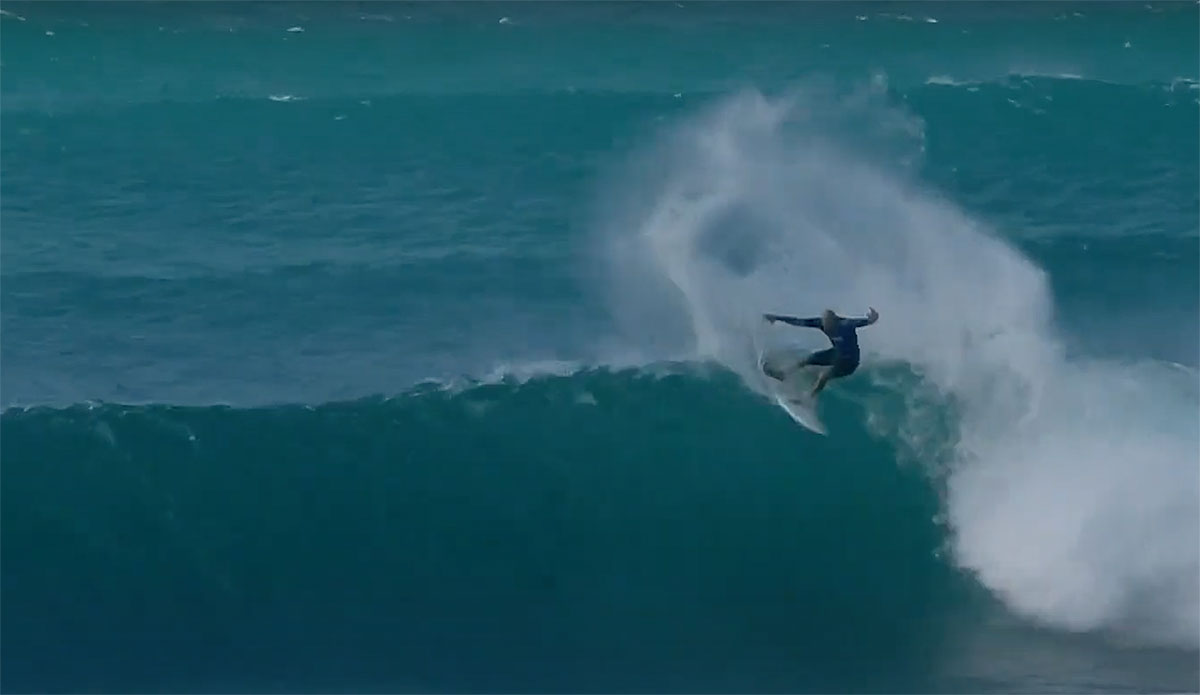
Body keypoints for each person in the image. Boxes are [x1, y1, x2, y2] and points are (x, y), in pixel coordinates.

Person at [761, 307, 879, 396]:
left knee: (824, 376)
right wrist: (776, 318)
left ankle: (808, 398)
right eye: (825, 325)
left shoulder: (846, 324)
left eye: (829, 325)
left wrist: (873, 318)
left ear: (834, 321)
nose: (826, 328)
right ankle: (782, 374)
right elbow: (798, 321)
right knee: (806, 360)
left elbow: (867, 322)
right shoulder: (821, 323)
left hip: (850, 361)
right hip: (836, 353)